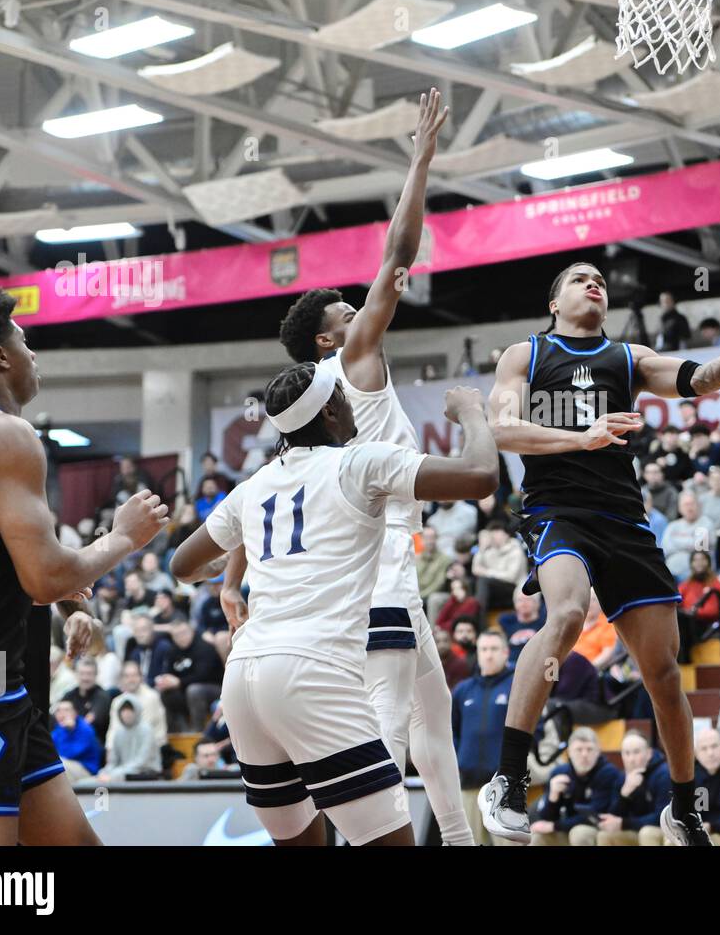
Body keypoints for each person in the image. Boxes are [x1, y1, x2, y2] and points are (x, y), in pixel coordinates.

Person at [479, 262, 720, 846]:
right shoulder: (526, 354)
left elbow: (702, 378)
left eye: (601, 281)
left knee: (663, 671)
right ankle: (510, 779)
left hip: (624, 521)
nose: (595, 284)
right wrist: (579, 437)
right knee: (564, 614)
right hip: (556, 510)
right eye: (579, 278)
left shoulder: (626, 357)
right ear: (554, 302)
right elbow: (502, 430)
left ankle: (683, 808)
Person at [170, 358, 498, 846]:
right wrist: (473, 411)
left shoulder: (253, 485)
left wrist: (228, 574)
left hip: (243, 678)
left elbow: (182, 566)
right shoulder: (361, 460)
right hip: (313, 673)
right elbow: (480, 476)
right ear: (329, 413)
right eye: (342, 396)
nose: (350, 402)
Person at [0, 289, 168, 846]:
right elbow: (43, 575)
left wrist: (73, 601)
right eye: (24, 342)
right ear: (1, 357)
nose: (32, 354)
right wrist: (124, 537)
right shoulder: (4, 434)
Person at [452, 630, 517, 845]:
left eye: (494, 649)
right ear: (478, 653)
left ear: (506, 652)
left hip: (504, 788)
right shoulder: (462, 690)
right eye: (484, 649)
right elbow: (452, 733)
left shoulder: (517, 686)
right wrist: (459, 763)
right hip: (468, 785)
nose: (489, 655)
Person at [529, 727, 623, 846]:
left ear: (598, 752)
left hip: (599, 828)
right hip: (567, 827)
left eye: (589, 749)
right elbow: (547, 818)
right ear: (569, 752)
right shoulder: (559, 773)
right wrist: (553, 797)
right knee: (538, 837)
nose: (584, 754)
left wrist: (555, 826)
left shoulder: (608, 773)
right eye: (579, 749)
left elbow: (595, 815)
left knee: (579, 833)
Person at [598, 730, 671, 846]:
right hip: (635, 828)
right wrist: (624, 794)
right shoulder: (622, 777)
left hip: (660, 831)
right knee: (604, 835)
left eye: (636, 752)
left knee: (646, 833)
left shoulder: (664, 774)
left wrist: (624, 823)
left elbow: (662, 817)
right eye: (626, 753)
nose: (631, 759)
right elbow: (613, 816)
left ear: (649, 753)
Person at [153, 619, 224, 732]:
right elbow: (168, 673)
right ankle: (177, 729)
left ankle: (198, 731)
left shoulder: (204, 647)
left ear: (191, 631)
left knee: (194, 690)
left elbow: (203, 676)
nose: (181, 637)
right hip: (186, 691)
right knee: (165, 693)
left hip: (214, 689)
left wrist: (178, 682)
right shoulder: (173, 651)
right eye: (177, 635)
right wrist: (165, 681)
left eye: (184, 633)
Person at [98, 695, 162, 782]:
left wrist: (116, 773)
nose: (126, 713)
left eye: (130, 710)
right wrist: (105, 772)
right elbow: (113, 761)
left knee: (117, 778)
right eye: (123, 710)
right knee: (98, 777)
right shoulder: (119, 732)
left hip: (146, 771)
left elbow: (142, 761)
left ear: (137, 711)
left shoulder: (146, 730)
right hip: (122, 771)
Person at [676, 550, 720, 664]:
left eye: (702, 559)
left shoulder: (715, 584)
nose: (699, 563)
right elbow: (675, 602)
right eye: (695, 560)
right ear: (691, 564)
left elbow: (712, 611)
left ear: (708, 562)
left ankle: (684, 660)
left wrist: (692, 612)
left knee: (682, 618)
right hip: (687, 622)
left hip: (704, 625)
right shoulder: (686, 584)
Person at [471, 520, 526, 614]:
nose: (493, 536)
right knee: (471, 583)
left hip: (514, 588)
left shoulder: (515, 550)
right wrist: (482, 548)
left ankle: (478, 619)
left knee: (483, 581)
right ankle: (473, 615)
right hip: (495, 589)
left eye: (497, 532)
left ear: (506, 535)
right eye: (491, 533)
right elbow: (475, 569)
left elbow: (511, 577)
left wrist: (487, 572)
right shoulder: (490, 551)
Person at [661, 491, 712, 582]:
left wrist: (676, 541)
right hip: (670, 574)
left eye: (692, 503)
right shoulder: (672, 526)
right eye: (685, 504)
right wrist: (690, 542)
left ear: (698, 505)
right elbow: (665, 549)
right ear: (680, 508)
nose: (689, 507)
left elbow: (698, 546)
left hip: (695, 575)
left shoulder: (706, 523)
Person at [62, 656, 113, 748]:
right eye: (82, 673)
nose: (85, 678)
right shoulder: (69, 695)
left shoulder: (102, 696)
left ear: (96, 675)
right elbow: (58, 717)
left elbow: (90, 722)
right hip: (69, 743)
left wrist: (71, 722)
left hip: (92, 746)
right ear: (76, 674)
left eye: (89, 674)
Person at [50, 701, 101, 783]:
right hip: (69, 767)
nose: (62, 713)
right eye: (58, 710)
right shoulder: (58, 730)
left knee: (60, 765)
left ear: (75, 713)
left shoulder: (85, 729)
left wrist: (67, 731)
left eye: (66, 710)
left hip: (87, 770)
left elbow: (69, 753)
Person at [497, 588, 544, 669]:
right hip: (511, 666)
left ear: (537, 603)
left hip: (535, 665)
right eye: (520, 600)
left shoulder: (544, 623)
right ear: (515, 603)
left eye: (528, 599)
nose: (523, 603)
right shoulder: (508, 623)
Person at [415, 527, 451, 602]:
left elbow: (439, 583)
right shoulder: (416, 558)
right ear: (421, 539)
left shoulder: (445, 559)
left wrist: (420, 596)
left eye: (432, 538)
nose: (429, 541)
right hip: (416, 595)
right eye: (426, 538)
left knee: (434, 599)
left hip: (430, 595)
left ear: (436, 539)